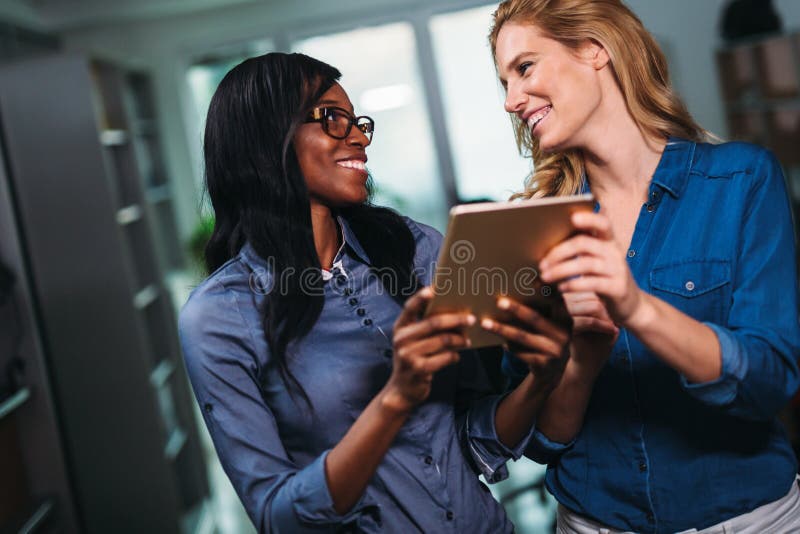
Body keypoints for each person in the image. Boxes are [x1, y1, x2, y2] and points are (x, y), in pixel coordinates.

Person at [178, 52, 569, 533]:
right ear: (265, 141)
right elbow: (277, 516)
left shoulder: (417, 248)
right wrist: (396, 398)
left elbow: (472, 441)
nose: (359, 137)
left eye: (357, 121)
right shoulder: (218, 316)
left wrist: (543, 380)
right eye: (331, 119)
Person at [483, 0, 800, 532]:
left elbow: (770, 381)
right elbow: (543, 442)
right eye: (505, 82)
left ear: (594, 50)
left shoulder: (742, 181)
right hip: (595, 523)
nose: (512, 100)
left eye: (525, 68)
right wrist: (583, 358)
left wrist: (637, 309)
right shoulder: (531, 234)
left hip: (748, 520)